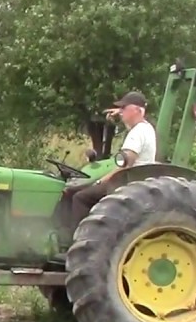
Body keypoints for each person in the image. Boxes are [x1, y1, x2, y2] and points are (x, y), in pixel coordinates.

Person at [66, 90, 157, 228]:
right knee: (76, 189)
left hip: (128, 181)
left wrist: (100, 181)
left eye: (124, 108)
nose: (121, 111)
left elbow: (125, 166)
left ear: (137, 110)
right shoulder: (146, 128)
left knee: (80, 197)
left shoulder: (137, 133)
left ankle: (79, 235)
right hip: (137, 179)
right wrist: (121, 112)